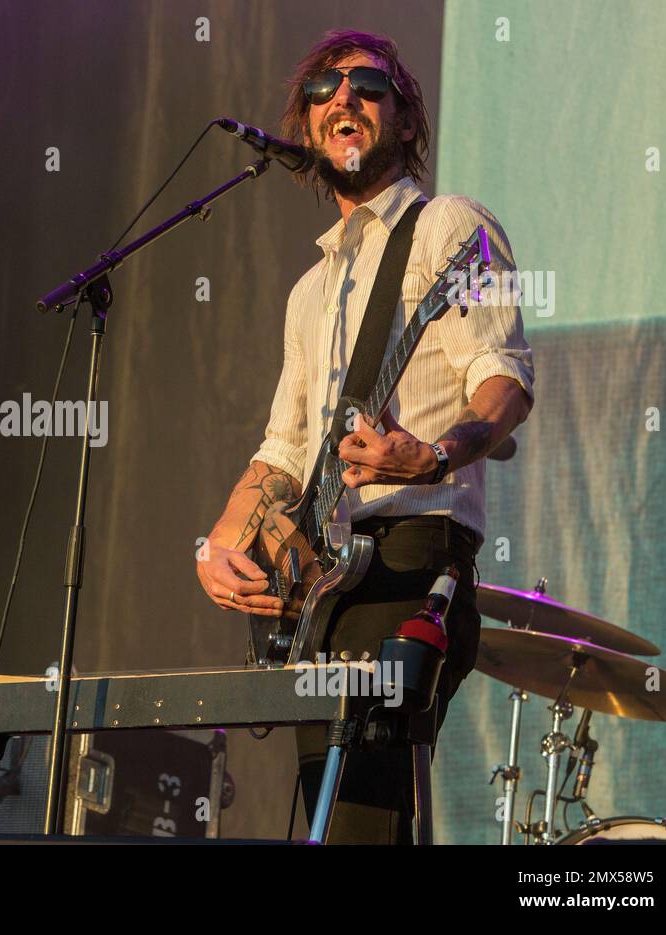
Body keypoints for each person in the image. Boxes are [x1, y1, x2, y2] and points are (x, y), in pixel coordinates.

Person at [195, 30, 534, 843]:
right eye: (323, 91)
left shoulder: (450, 227)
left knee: (361, 822)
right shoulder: (310, 290)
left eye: (366, 86)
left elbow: (505, 382)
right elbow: (281, 453)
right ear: (309, 132)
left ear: (406, 122)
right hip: (325, 588)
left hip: (413, 564)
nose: (342, 99)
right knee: (326, 820)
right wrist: (221, 541)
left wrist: (433, 453)